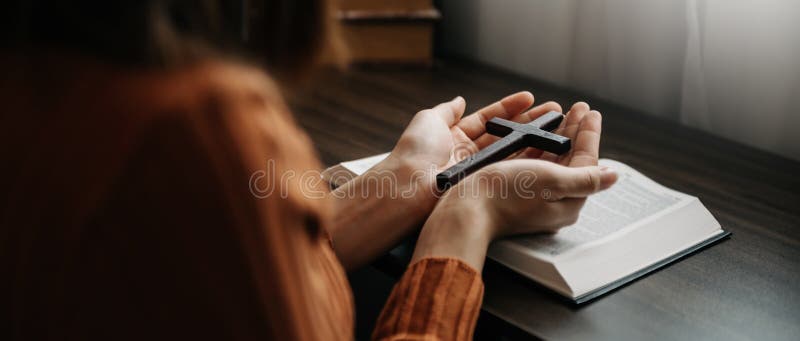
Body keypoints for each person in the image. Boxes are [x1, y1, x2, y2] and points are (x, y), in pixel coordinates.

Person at [0, 0, 617, 340]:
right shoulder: (193, 129)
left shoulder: (38, 86)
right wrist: (466, 217)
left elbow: (190, 267)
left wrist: (394, 187)